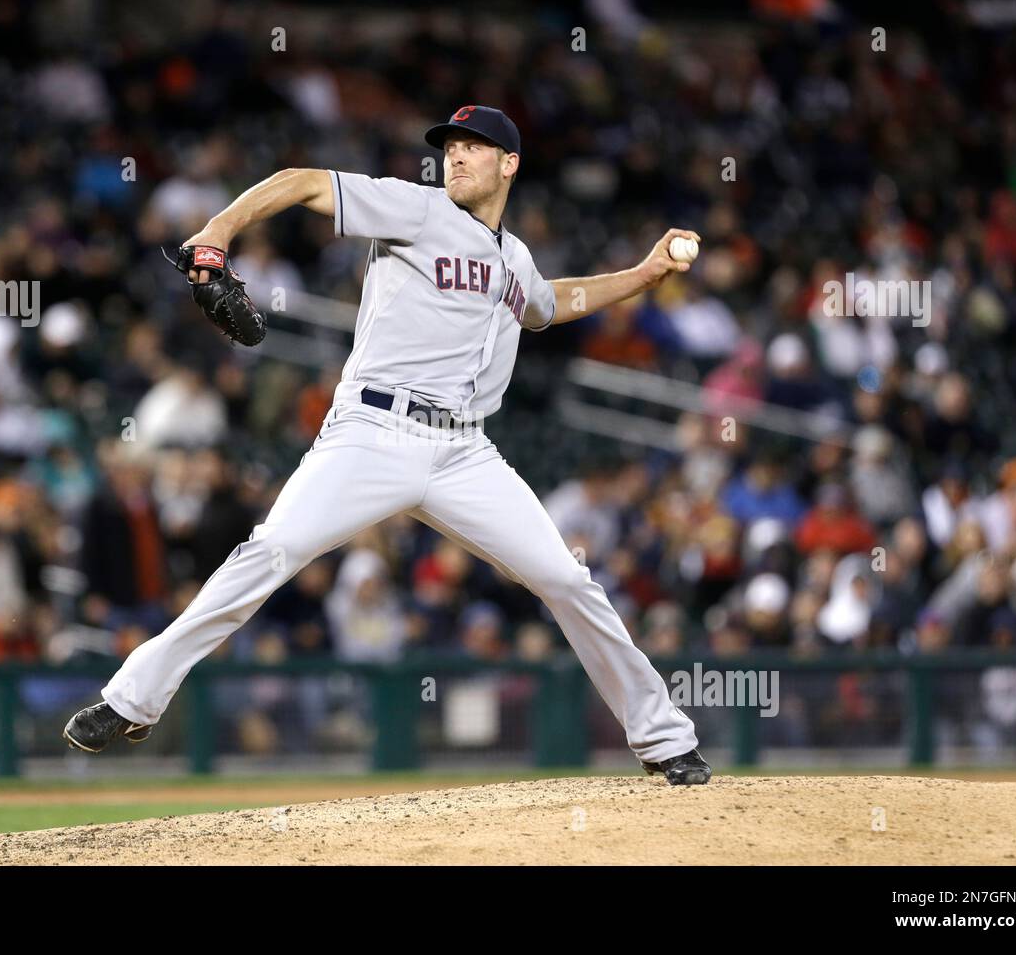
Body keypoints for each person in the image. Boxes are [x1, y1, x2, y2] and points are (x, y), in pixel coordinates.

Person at [64, 105, 710, 784]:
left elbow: (551, 303)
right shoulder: (417, 209)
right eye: (450, 147)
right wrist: (218, 230)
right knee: (273, 550)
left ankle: (663, 739)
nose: (455, 157)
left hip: (466, 452)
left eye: (473, 148)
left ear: (510, 164)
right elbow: (303, 180)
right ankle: (131, 700)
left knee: (567, 580)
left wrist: (642, 274)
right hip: (373, 431)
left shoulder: (513, 257)